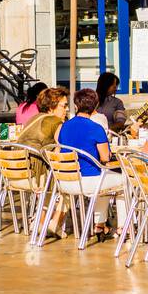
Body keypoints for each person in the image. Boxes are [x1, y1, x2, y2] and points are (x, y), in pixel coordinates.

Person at [51, 88, 119, 241]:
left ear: (76, 106)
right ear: (95, 107)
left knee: (105, 181)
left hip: (66, 181)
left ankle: (100, 224)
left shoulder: (63, 127)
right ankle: (119, 228)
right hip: (88, 182)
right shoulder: (96, 128)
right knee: (124, 182)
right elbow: (105, 158)